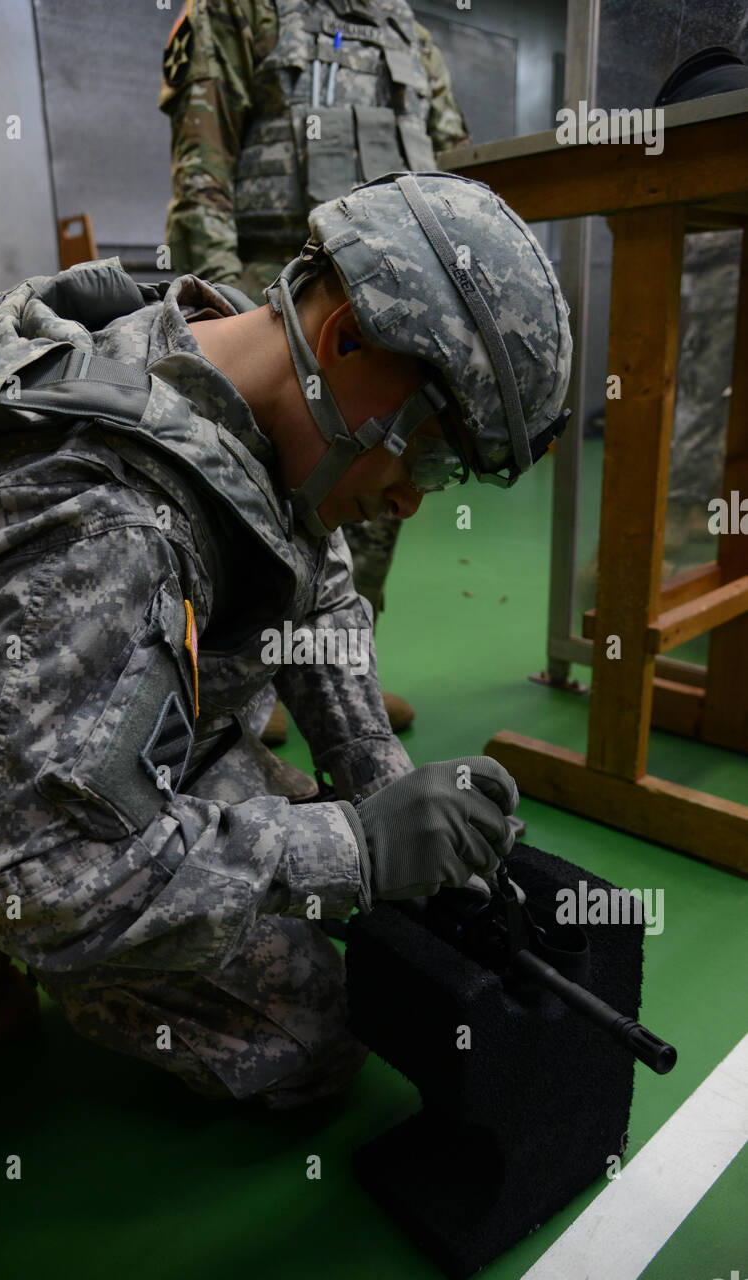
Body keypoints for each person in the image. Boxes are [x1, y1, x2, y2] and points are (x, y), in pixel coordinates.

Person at [0, 171, 571, 1110]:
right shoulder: (95, 525)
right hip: (8, 818)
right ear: (346, 339)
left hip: (129, 725)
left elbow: (314, 584)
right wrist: (357, 851)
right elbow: (35, 870)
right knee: (305, 1042)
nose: (415, 497)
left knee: (346, 901)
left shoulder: (235, 359)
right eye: (435, 452)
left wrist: (374, 775)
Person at [159, 0, 473, 738]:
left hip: (400, 321)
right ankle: (237, 684)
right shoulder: (241, 12)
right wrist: (227, 316)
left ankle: (338, 668)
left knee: (375, 497)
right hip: (281, 300)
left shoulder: (409, 35)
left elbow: (456, 175)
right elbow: (202, 167)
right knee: (253, 503)